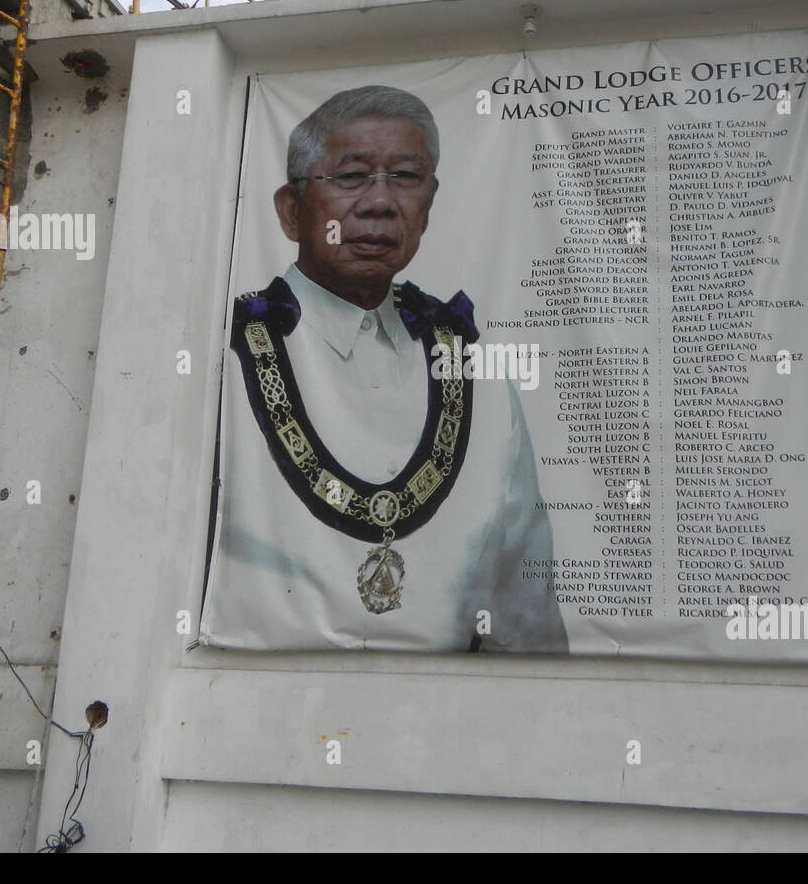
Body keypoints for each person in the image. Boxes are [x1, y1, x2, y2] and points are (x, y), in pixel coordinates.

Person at [203, 85, 567, 654]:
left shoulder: (478, 374)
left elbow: (526, 619)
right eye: (350, 177)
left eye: (404, 176)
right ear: (291, 210)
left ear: (430, 201)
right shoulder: (216, 360)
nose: (379, 203)